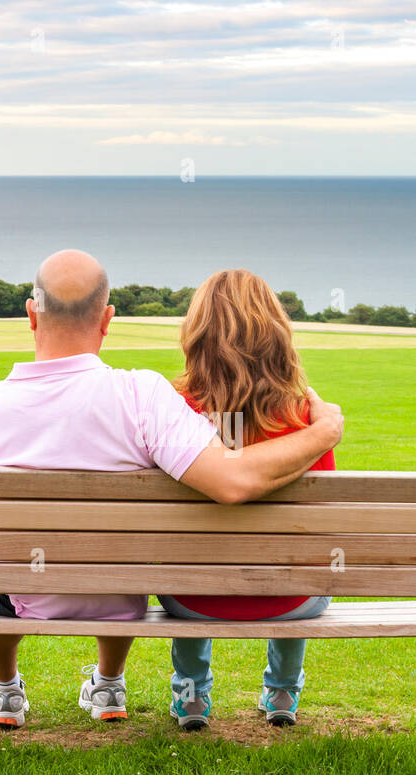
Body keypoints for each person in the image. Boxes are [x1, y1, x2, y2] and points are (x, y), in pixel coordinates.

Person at [0, 250, 343, 729]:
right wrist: (323, 431)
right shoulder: (141, 397)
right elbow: (233, 479)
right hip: (116, 593)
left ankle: (5, 688)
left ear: (31, 315)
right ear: (107, 319)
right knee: (119, 564)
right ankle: (109, 682)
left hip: (18, 596)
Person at [160, 269, 335, 730]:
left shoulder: (174, 411)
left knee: (189, 564)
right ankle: (282, 692)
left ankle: (192, 696)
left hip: (192, 598)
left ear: (196, 334)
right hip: (291, 600)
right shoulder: (306, 420)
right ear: (277, 335)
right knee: (298, 564)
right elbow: (318, 527)